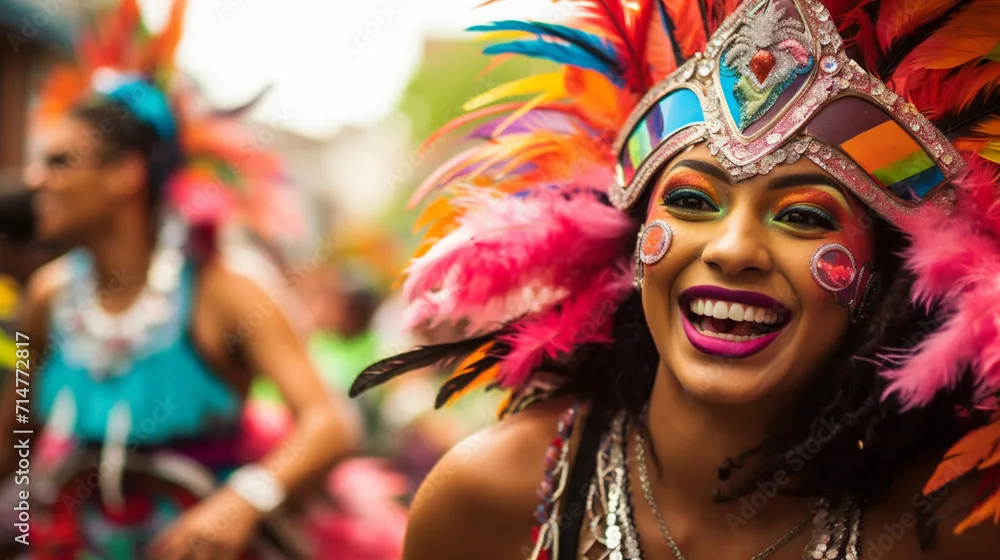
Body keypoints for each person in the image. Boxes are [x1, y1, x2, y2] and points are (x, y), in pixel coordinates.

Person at [351, 0, 1000, 558]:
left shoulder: (950, 533)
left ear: (880, 282)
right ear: (635, 245)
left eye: (801, 216)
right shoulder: (489, 498)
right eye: (692, 202)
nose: (733, 248)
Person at [0, 1, 358, 558]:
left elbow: (330, 421)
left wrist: (244, 501)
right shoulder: (47, 297)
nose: (35, 180)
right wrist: (23, 525)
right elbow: (15, 436)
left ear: (125, 175)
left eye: (60, 162)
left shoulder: (226, 288)